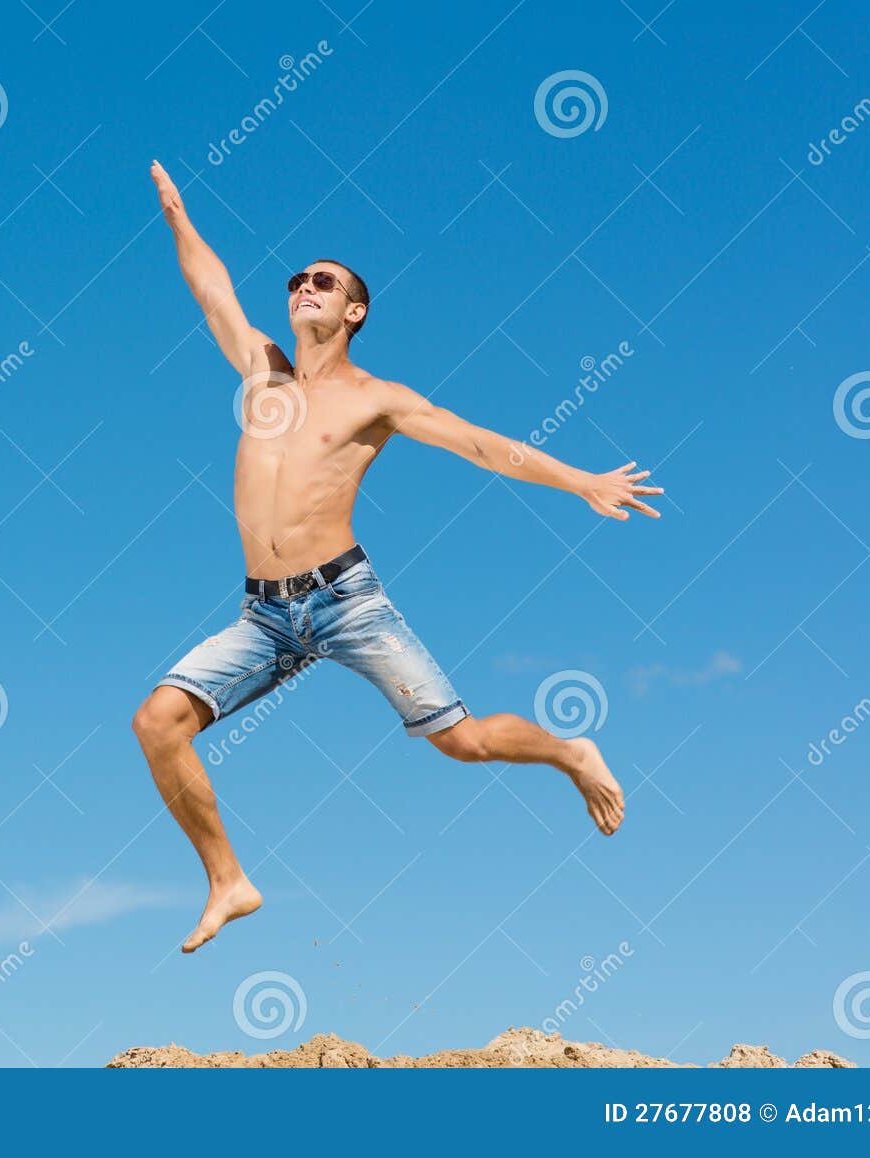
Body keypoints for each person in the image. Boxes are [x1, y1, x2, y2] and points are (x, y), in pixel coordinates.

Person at [133, 161, 662, 953]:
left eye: (323, 280)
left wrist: (581, 481)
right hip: (265, 614)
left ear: (355, 309)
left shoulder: (377, 397)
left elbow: (484, 446)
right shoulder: (261, 371)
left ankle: (569, 753)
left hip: (346, 603)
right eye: (296, 279)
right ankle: (228, 881)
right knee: (157, 722)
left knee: (463, 741)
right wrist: (178, 218)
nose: (303, 287)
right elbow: (212, 289)